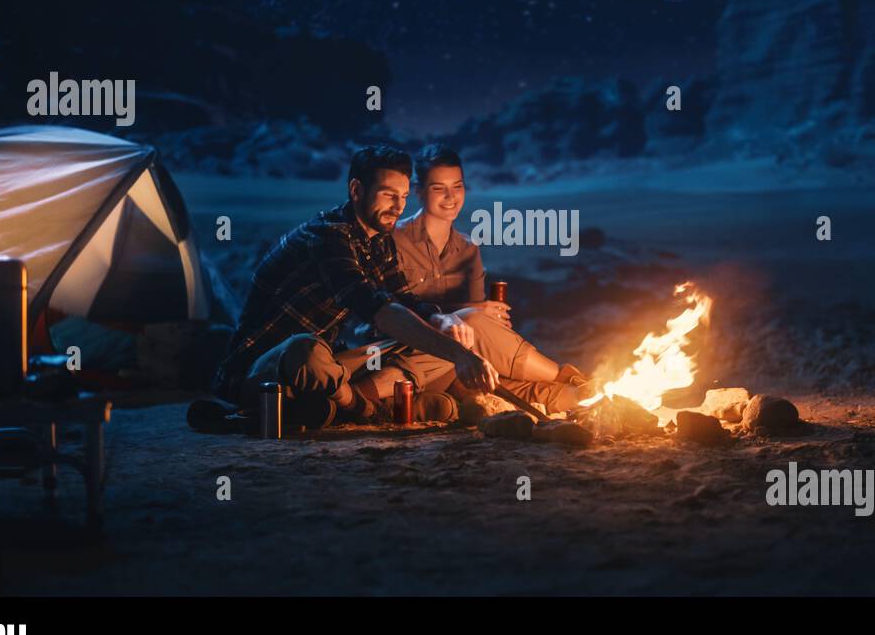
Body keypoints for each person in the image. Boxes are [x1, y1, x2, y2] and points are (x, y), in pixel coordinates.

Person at [204, 145, 502, 430]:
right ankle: (366, 409)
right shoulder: (328, 237)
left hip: (332, 367)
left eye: (403, 196)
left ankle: (328, 407)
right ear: (357, 190)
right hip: (270, 369)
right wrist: (460, 357)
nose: (398, 207)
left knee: (439, 342)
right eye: (388, 195)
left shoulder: (378, 239)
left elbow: (403, 299)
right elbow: (378, 309)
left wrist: (442, 322)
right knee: (304, 348)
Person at [393, 144, 591, 413]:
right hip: (420, 357)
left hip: (466, 361)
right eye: (439, 188)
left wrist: (488, 317)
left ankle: (588, 394)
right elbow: (388, 313)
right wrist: (468, 313)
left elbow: (482, 327)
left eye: (458, 186)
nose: (451, 197)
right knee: (474, 319)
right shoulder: (394, 240)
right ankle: (565, 375)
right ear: (419, 191)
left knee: (544, 395)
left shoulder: (467, 248)